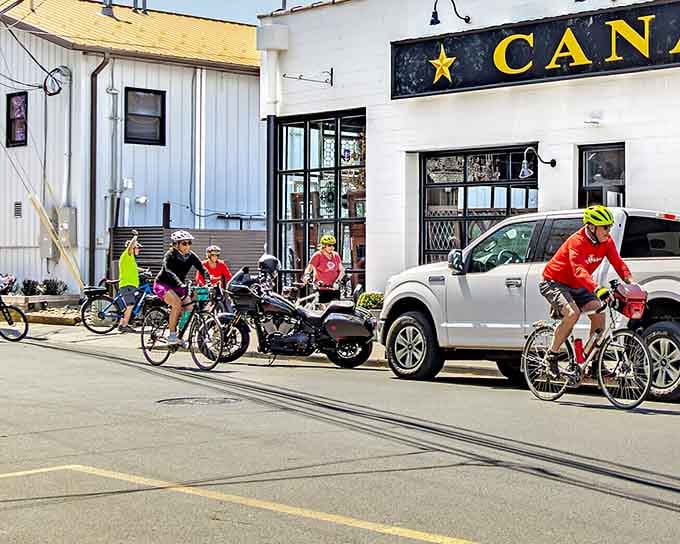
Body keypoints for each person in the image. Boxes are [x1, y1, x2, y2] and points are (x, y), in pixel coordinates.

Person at [539, 205, 634, 378]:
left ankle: (594, 362)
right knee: (572, 313)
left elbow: (618, 263)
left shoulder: (606, 241)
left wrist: (631, 282)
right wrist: (597, 289)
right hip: (554, 282)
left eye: (610, 227)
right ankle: (551, 357)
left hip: (578, 285)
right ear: (591, 227)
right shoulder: (577, 242)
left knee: (599, 312)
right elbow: (579, 271)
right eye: (605, 227)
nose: (608, 231)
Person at [154, 230, 208, 346]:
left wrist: (209, 279)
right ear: (175, 244)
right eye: (184, 243)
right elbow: (168, 271)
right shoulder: (170, 255)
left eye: (189, 243)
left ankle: (180, 334)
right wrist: (179, 283)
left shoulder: (191, 256)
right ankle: (172, 336)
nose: (187, 246)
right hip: (163, 284)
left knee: (189, 308)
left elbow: (201, 268)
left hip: (179, 286)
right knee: (177, 304)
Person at [304, 234, 345, 304]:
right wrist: (307, 275)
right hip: (321, 288)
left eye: (333, 245)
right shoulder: (318, 255)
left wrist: (337, 282)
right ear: (323, 246)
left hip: (334, 288)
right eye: (329, 245)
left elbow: (342, 271)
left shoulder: (336, 255)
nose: (332, 247)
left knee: (335, 310)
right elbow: (309, 268)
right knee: (322, 310)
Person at [117, 231, 142, 334]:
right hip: (127, 285)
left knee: (129, 306)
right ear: (132, 248)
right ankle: (125, 325)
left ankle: (121, 324)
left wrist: (144, 270)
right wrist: (135, 236)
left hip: (130, 285)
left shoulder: (130, 259)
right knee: (130, 305)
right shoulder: (127, 254)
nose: (139, 250)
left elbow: (134, 268)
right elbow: (130, 246)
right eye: (138, 247)